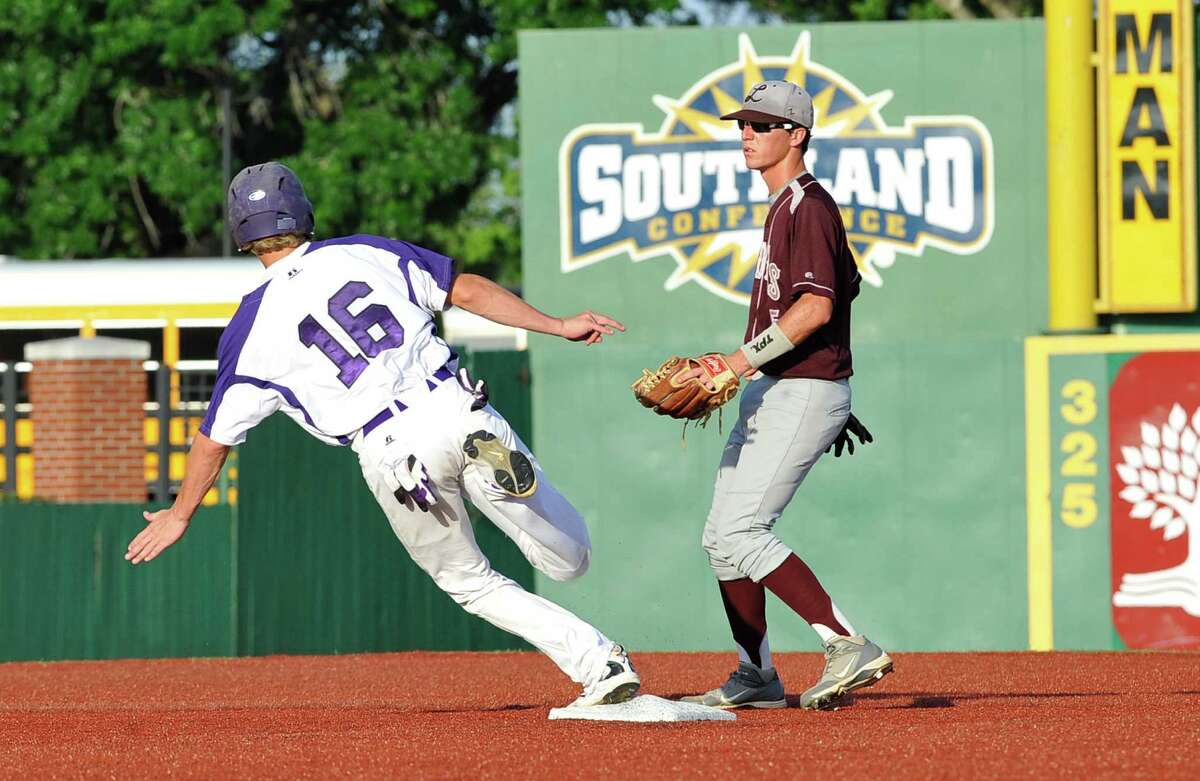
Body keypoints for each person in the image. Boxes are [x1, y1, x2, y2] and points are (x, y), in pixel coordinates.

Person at [125, 162, 640, 708]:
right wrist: (558, 325)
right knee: (570, 561)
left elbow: (213, 439)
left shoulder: (249, 327)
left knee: (471, 582)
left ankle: (599, 663)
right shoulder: (362, 252)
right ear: (301, 211)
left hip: (393, 452)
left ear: (241, 233)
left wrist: (180, 513)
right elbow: (464, 291)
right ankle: (493, 477)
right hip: (454, 402)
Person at [680, 81, 891, 711]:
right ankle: (757, 673)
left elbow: (817, 306)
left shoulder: (807, 206)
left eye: (760, 124)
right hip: (791, 387)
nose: (745, 133)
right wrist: (824, 383)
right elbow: (835, 300)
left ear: (795, 134)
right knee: (722, 538)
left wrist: (742, 363)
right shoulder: (782, 208)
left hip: (797, 389)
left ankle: (847, 643)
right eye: (742, 124)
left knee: (745, 529)